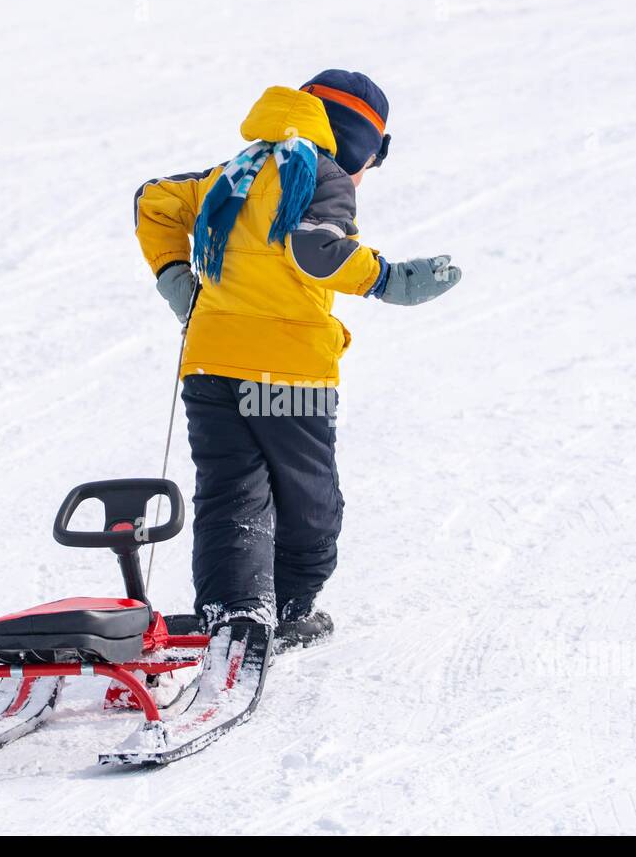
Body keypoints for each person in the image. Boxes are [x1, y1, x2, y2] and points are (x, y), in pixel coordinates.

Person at [133, 69, 461, 650]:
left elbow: (152, 201)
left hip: (211, 370)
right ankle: (285, 609)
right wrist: (390, 279)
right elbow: (315, 249)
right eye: (371, 162)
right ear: (356, 144)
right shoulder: (323, 177)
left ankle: (231, 611)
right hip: (288, 378)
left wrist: (176, 281)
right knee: (308, 497)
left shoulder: (229, 172)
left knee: (232, 491)